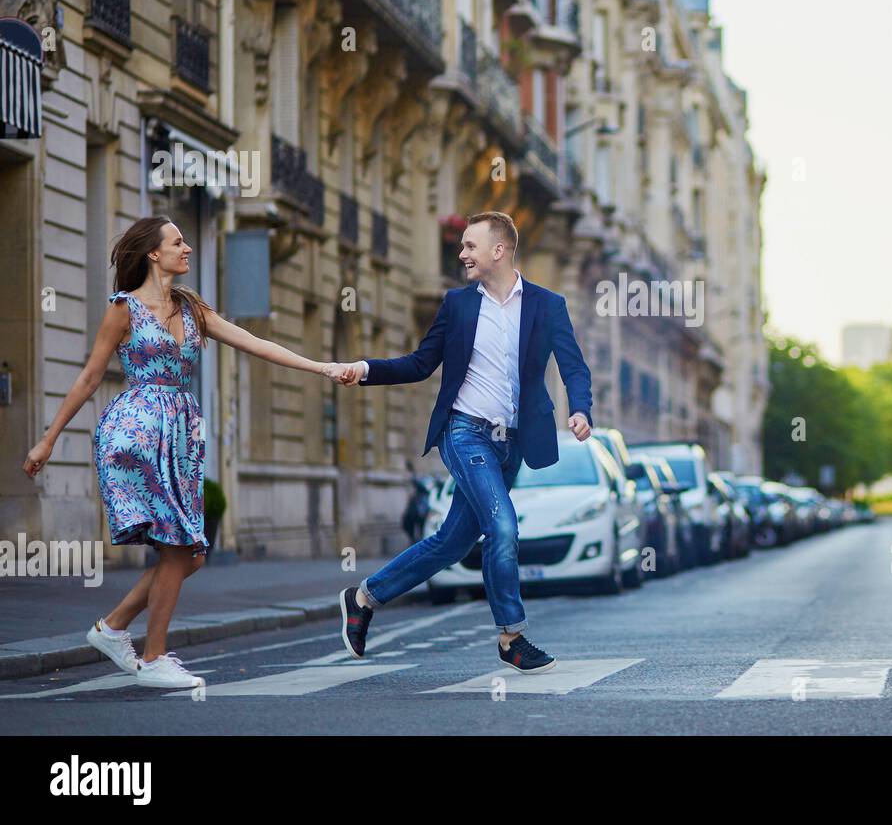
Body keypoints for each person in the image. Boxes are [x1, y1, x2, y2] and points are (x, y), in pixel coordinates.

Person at [22, 216, 343, 689]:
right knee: (179, 546)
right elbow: (90, 376)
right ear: (154, 253)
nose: (187, 248)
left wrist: (322, 367)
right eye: (177, 243)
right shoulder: (123, 309)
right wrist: (49, 438)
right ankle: (153, 657)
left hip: (180, 437)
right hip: (135, 435)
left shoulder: (192, 310)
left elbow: (255, 343)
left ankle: (112, 628)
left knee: (189, 555)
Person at [332, 211, 593, 674]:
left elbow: (572, 365)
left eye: (471, 246)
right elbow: (419, 363)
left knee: (452, 543)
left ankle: (364, 596)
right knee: (503, 526)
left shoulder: (546, 305)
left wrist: (580, 408)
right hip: (464, 431)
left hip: (509, 443)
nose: (462, 253)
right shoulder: (457, 304)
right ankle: (511, 636)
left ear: (499, 250)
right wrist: (365, 369)